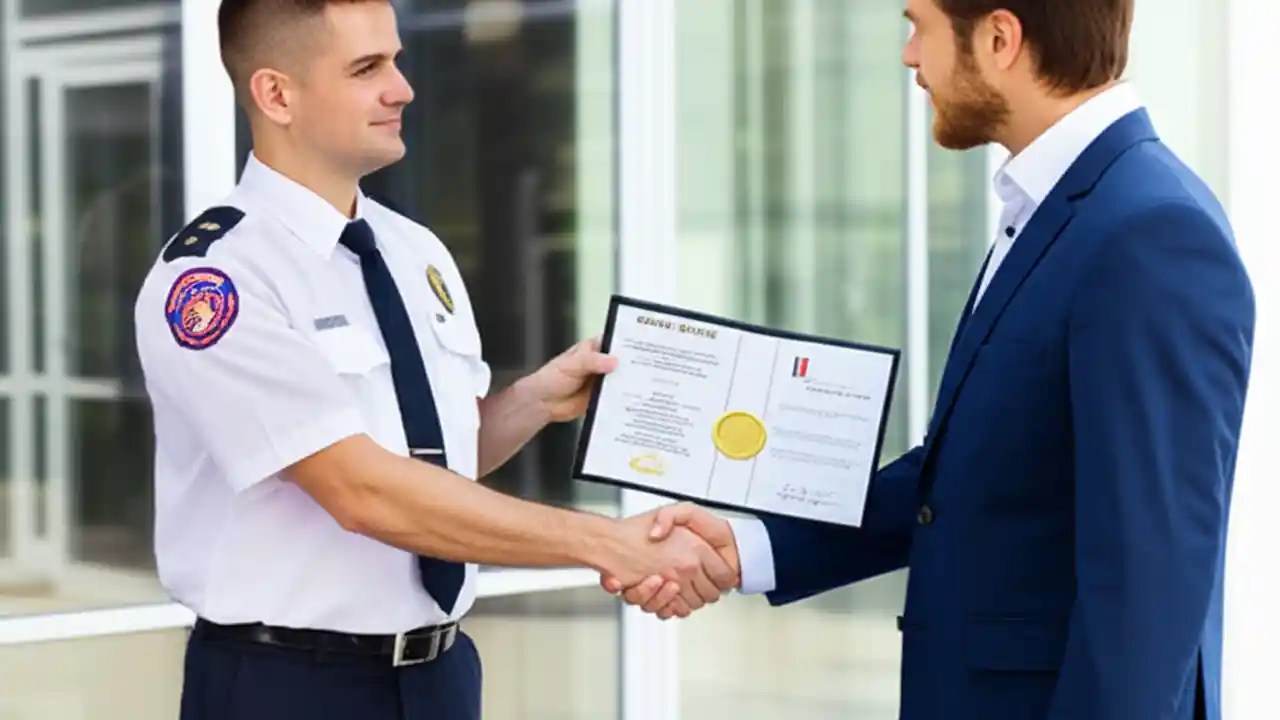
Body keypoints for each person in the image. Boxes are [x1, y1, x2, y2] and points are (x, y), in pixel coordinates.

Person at [609, 1, 1256, 718]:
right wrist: (749, 548)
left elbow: (1151, 581)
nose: (909, 55)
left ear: (1000, 38)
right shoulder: (1061, 207)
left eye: (918, 25)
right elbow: (965, 477)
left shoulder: (1147, 232)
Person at [133, 2, 736, 719]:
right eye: (367, 68)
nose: (403, 89)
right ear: (275, 94)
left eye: (396, 60)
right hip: (289, 683)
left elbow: (433, 460)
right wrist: (608, 544)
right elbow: (362, 490)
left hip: (439, 676)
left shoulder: (413, 251)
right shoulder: (216, 281)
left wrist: (537, 401)